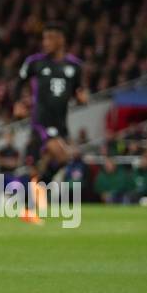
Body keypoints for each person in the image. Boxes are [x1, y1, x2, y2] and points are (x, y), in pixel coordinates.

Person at [18, 23, 87, 222]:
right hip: (41, 122)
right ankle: (35, 195)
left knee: (54, 163)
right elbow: (18, 82)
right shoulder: (35, 62)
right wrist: (18, 103)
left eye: (49, 38)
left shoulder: (74, 66)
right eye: (44, 38)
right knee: (62, 155)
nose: (45, 43)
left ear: (61, 40)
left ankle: (29, 205)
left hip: (61, 124)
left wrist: (82, 98)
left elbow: (79, 92)